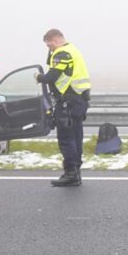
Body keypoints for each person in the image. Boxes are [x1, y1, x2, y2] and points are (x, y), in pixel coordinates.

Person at [37, 28, 91, 186]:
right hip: (79, 100)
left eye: (49, 45)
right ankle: (76, 172)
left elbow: (51, 76)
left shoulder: (61, 53)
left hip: (68, 102)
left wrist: (39, 77)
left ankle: (70, 173)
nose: (49, 48)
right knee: (76, 137)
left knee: (66, 139)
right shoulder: (73, 50)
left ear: (53, 40)